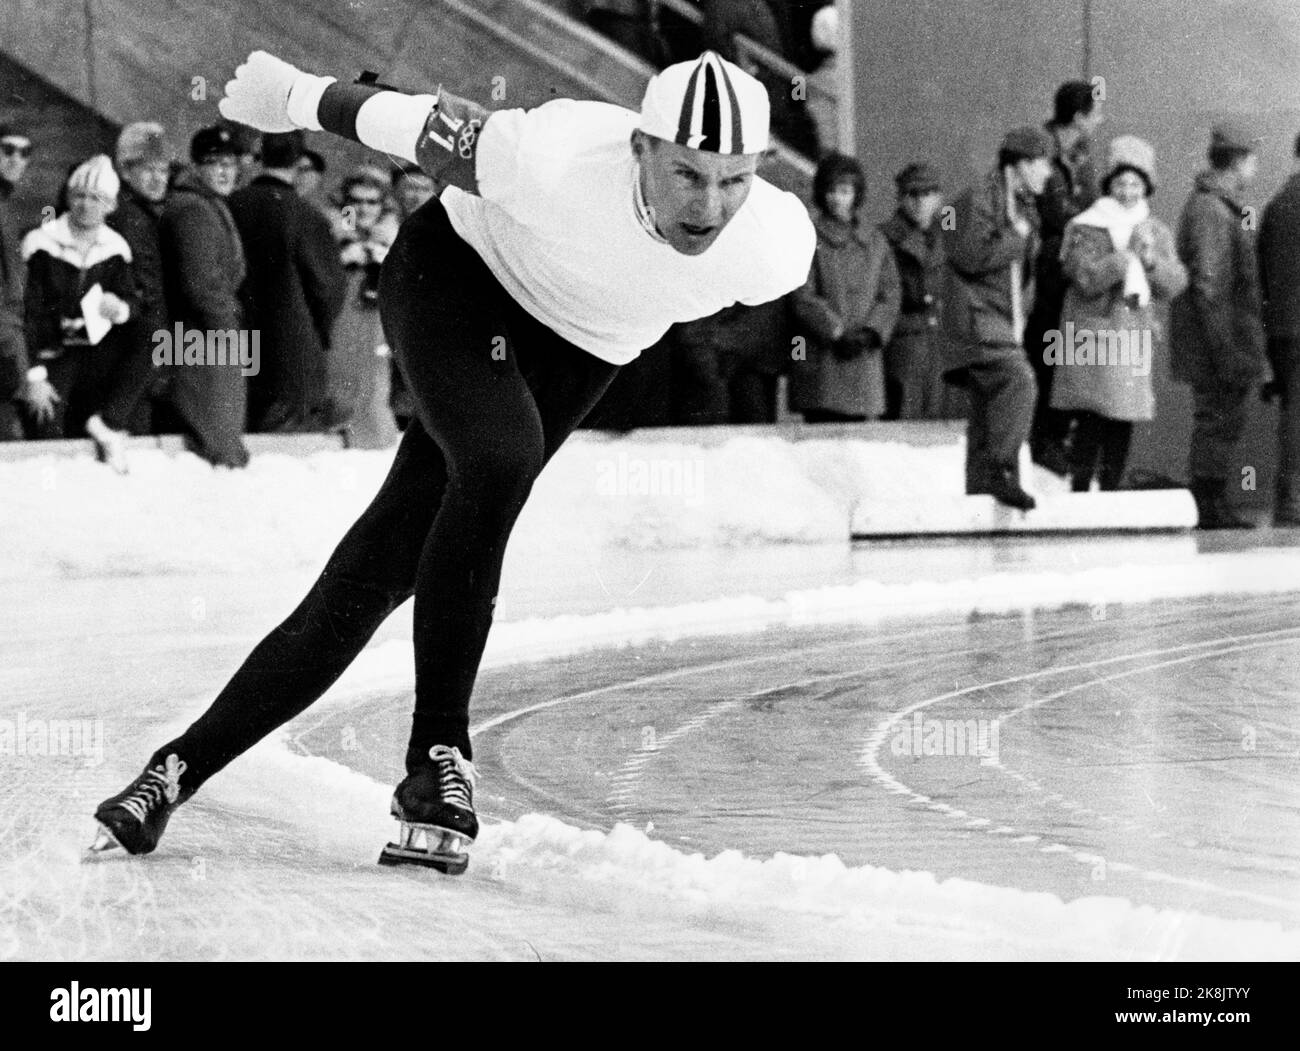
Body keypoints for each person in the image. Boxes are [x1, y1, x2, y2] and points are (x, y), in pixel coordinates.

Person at [91, 49, 815, 872]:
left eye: (734, 180)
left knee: (374, 574)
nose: (710, 206)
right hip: (456, 279)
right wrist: (294, 93)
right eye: (687, 173)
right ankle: (438, 753)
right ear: (640, 148)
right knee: (502, 457)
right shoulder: (551, 156)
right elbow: (413, 120)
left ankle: (172, 771)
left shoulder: (774, 246)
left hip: (578, 352)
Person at [1051, 136, 1186, 491]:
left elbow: (1174, 284)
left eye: (1135, 184)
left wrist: (1151, 262)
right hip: (1091, 335)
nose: (1128, 191)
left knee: (1122, 417)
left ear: (1147, 187)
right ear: (1109, 185)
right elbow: (1083, 278)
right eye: (1121, 183)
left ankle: (1109, 488)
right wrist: (1123, 260)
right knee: (1091, 414)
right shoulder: (1085, 226)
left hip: (1131, 333)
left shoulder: (1155, 230)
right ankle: (1080, 489)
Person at [942, 126, 1054, 510]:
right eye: (1042, 164)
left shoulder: (1021, 205)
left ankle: (982, 491)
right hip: (976, 318)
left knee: (988, 407)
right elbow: (969, 255)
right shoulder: (977, 200)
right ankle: (999, 470)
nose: (1048, 173)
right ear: (1021, 164)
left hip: (1000, 319)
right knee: (1017, 380)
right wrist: (1018, 238)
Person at [1169, 122, 1268, 529]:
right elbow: (1210, 285)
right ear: (1239, 160)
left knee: (1222, 420)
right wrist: (1226, 349)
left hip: (1220, 337)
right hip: (1217, 341)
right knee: (1217, 419)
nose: (1255, 168)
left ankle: (1212, 501)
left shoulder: (1218, 205)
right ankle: (1207, 506)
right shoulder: (1212, 209)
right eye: (1253, 159)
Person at [20, 156, 139, 463]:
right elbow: (26, 315)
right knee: (47, 431)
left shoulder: (115, 248)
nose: (86, 205)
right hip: (50, 355)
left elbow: (133, 302)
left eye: (96, 198)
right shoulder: (41, 243)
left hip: (93, 356)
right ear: (68, 198)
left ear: (110, 205)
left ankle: (108, 426)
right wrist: (33, 374)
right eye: (79, 196)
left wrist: (121, 307)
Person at [229, 130, 347, 433]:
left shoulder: (229, 205)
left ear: (259, 157)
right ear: (298, 161)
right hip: (292, 357)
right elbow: (329, 289)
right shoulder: (308, 216)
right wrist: (317, 330)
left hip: (233, 349)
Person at [156, 125, 251, 468]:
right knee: (218, 440)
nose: (226, 171)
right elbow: (202, 285)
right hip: (204, 338)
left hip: (209, 334)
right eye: (215, 163)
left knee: (219, 437)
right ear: (196, 166)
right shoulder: (193, 210)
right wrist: (229, 331)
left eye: (230, 163)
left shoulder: (207, 203)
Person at [1025, 81, 1104, 473]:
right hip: (1045, 274)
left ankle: (1056, 441)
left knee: (1068, 358)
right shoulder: (1042, 153)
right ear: (1079, 116)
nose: (1100, 121)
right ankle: (1040, 443)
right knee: (1043, 357)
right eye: (1096, 113)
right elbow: (1056, 213)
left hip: (1071, 273)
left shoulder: (1082, 158)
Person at [790, 152, 900, 422]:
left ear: (856, 194)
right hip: (822, 362)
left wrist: (871, 333)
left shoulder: (875, 241)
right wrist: (836, 332)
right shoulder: (806, 236)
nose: (836, 198)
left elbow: (891, 293)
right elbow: (801, 294)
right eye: (830, 190)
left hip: (863, 360)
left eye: (844, 190)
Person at [106, 122, 173, 441]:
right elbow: (147, 293)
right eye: (148, 169)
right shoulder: (128, 218)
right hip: (135, 350)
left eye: (163, 169)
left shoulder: (146, 213)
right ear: (125, 170)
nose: (158, 177)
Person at [327, 165, 400, 447]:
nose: (364, 208)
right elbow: (345, 234)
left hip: (379, 320)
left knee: (375, 380)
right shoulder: (341, 226)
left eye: (372, 201)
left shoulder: (392, 232)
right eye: (357, 200)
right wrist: (349, 252)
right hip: (344, 313)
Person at [880, 161, 948, 419]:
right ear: (900, 198)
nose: (920, 203)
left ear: (938, 198)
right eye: (913, 195)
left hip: (942, 339)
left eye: (928, 194)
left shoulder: (948, 235)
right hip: (904, 340)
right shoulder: (885, 238)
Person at [1258, 132, 1300, 527]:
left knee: (1294, 413)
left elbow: (1263, 278)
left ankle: (1290, 500)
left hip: (1282, 329)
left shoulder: (1277, 205)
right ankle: (1292, 501)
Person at [0, 122, 51, 439]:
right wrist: (27, 374)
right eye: (7, 150)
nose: (17, 159)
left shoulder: (7, 205)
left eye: (25, 152)